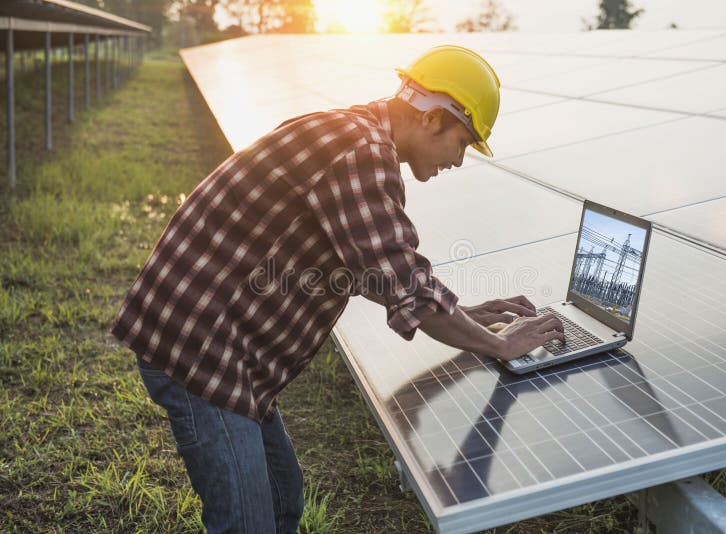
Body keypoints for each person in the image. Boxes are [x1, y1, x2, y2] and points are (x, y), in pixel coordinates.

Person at [110, 44, 565, 534]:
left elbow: (370, 267)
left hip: (224, 344)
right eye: (463, 142)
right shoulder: (361, 153)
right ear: (432, 119)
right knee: (249, 524)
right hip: (201, 349)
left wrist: (465, 316)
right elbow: (404, 281)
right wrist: (499, 344)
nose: (458, 160)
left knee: (283, 501)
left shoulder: (355, 133)